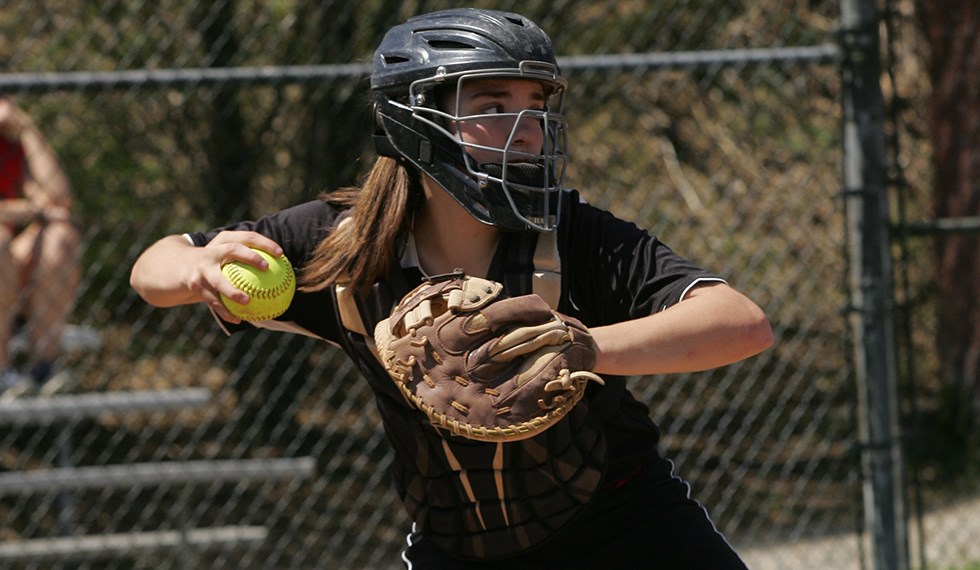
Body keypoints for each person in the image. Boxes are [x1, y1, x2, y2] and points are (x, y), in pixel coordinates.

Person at [130, 8, 773, 568]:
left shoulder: (573, 232)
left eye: (535, 106)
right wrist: (197, 266)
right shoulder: (342, 244)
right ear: (413, 120)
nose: (526, 129)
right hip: (460, 544)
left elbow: (740, 321)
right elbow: (153, 268)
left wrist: (583, 348)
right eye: (493, 107)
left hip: (627, 524)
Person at [0, 96, 81, 397]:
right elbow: (39, 205)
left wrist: (27, 128)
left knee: (60, 232)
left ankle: (44, 369)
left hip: (8, 266)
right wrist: (28, 208)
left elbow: (58, 198)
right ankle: (1, 372)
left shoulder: (10, 146)